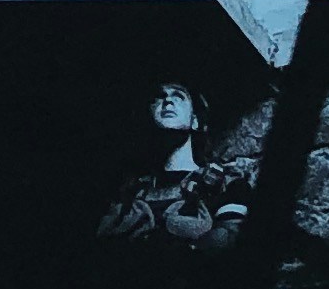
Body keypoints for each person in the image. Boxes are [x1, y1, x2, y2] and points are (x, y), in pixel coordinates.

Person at [95, 79, 248, 252]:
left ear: (195, 121)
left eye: (179, 96)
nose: (167, 101)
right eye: (159, 97)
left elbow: (231, 241)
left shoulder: (227, 183)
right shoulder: (127, 188)